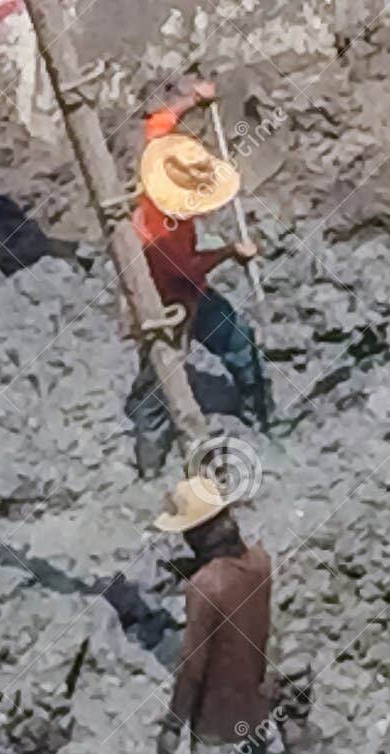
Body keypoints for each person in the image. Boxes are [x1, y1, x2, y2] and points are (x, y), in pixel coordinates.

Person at [153, 475, 278, 754]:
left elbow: (192, 667)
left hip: (217, 724)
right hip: (257, 714)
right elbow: (233, 583)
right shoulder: (261, 563)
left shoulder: (203, 590)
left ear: (197, 534)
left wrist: (173, 724)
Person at [128, 80, 270, 475]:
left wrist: (193, 98)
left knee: (238, 339)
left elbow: (158, 122)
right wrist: (230, 252)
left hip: (186, 285)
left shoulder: (159, 159)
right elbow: (188, 269)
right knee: (160, 378)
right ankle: (150, 465)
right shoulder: (162, 233)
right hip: (165, 300)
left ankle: (261, 414)